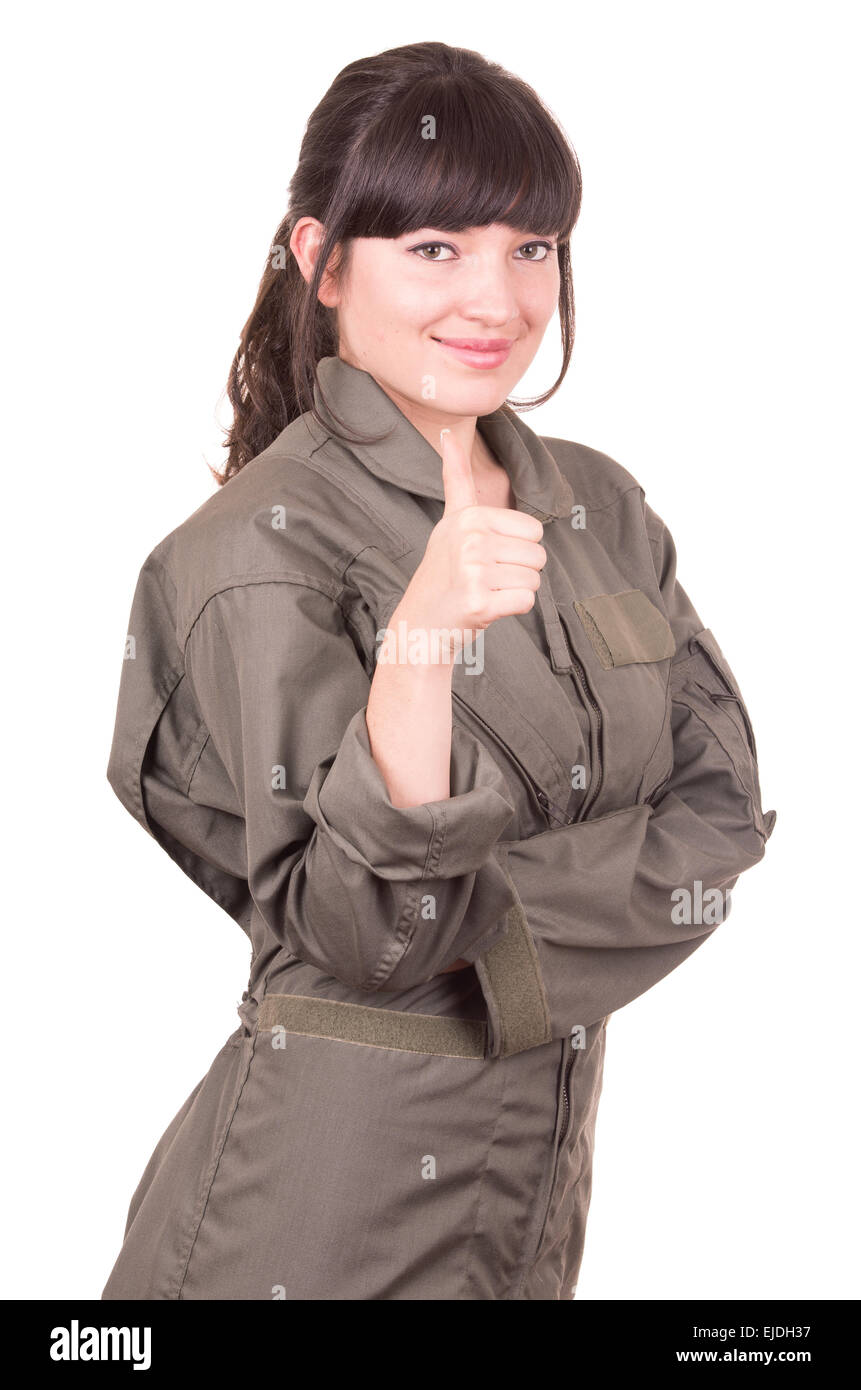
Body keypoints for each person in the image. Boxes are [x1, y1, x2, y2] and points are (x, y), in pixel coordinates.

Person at [101, 40, 776, 1301]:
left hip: (533, 1202)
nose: (500, 297)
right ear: (320, 259)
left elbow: (723, 820)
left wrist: (483, 936)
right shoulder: (248, 553)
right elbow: (367, 935)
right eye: (434, 249)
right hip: (309, 1217)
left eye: (533, 246)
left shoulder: (600, 509)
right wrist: (416, 646)